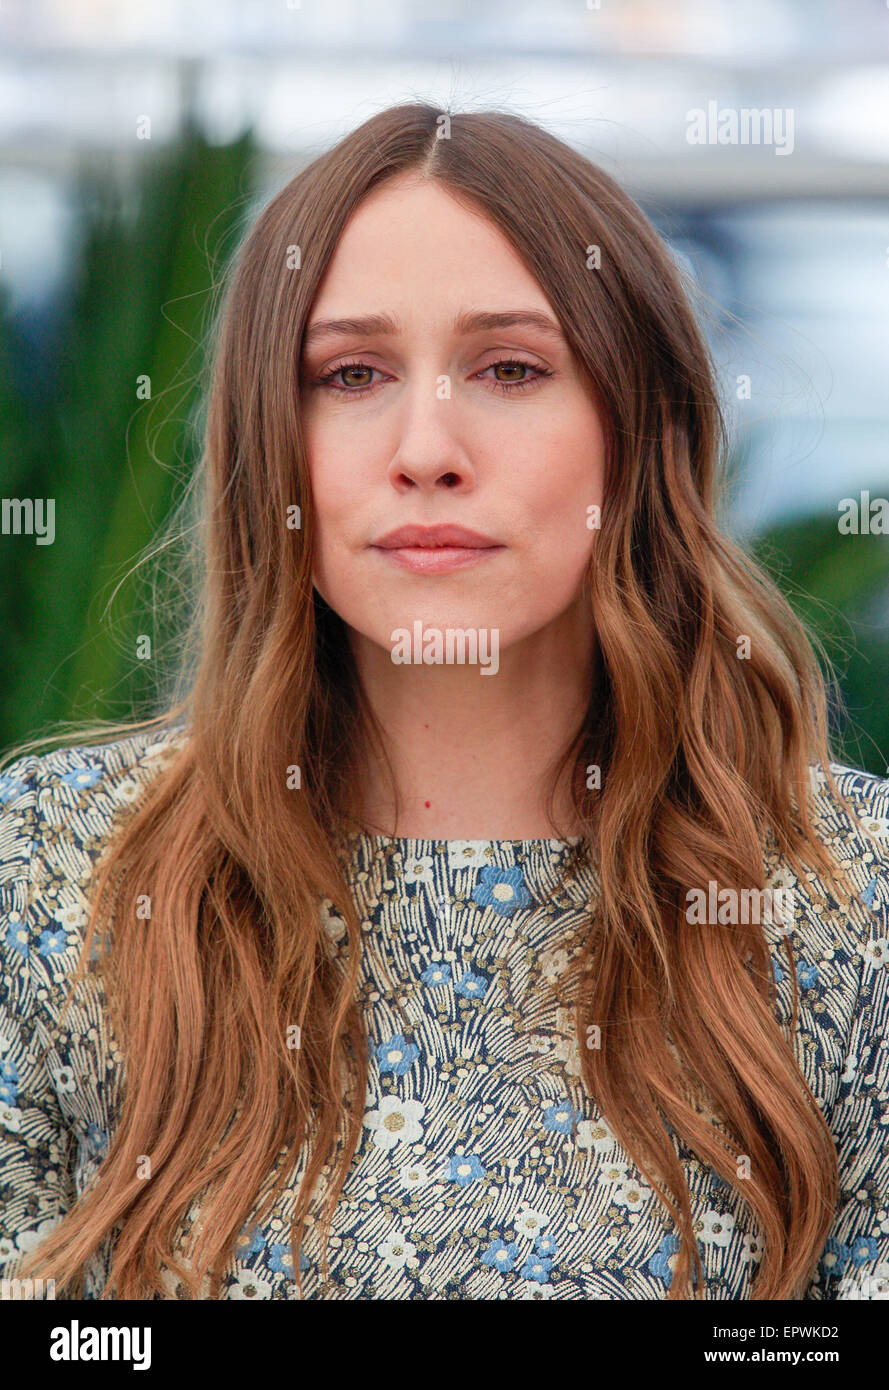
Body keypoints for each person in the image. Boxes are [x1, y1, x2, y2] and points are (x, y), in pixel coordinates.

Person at [1, 102, 887, 1302]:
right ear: (275, 444)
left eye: (511, 368)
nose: (427, 446)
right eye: (351, 373)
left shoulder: (848, 896)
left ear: (638, 432)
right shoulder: (59, 865)